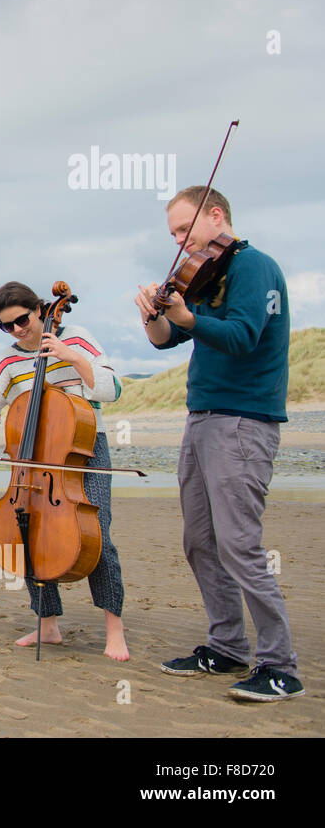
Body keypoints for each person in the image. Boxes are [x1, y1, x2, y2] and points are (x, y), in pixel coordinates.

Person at [136, 186, 302, 701]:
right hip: (202, 417)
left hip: (243, 420)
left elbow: (243, 335)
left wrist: (188, 318)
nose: (181, 244)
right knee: (200, 541)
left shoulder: (254, 267)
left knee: (238, 544)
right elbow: (166, 339)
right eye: (174, 236)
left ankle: (280, 666)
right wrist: (155, 316)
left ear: (216, 216)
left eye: (185, 230)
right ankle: (226, 646)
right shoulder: (206, 275)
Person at [0, 282, 130, 661]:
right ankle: (47, 623)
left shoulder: (76, 337)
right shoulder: (8, 360)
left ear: (41, 310)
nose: (17, 331)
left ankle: (114, 628)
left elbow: (113, 388)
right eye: (7, 326)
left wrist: (71, 356)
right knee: (25, 529)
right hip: (34, 460)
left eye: (22, 321)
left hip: (84, 451)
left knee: (99, 536)